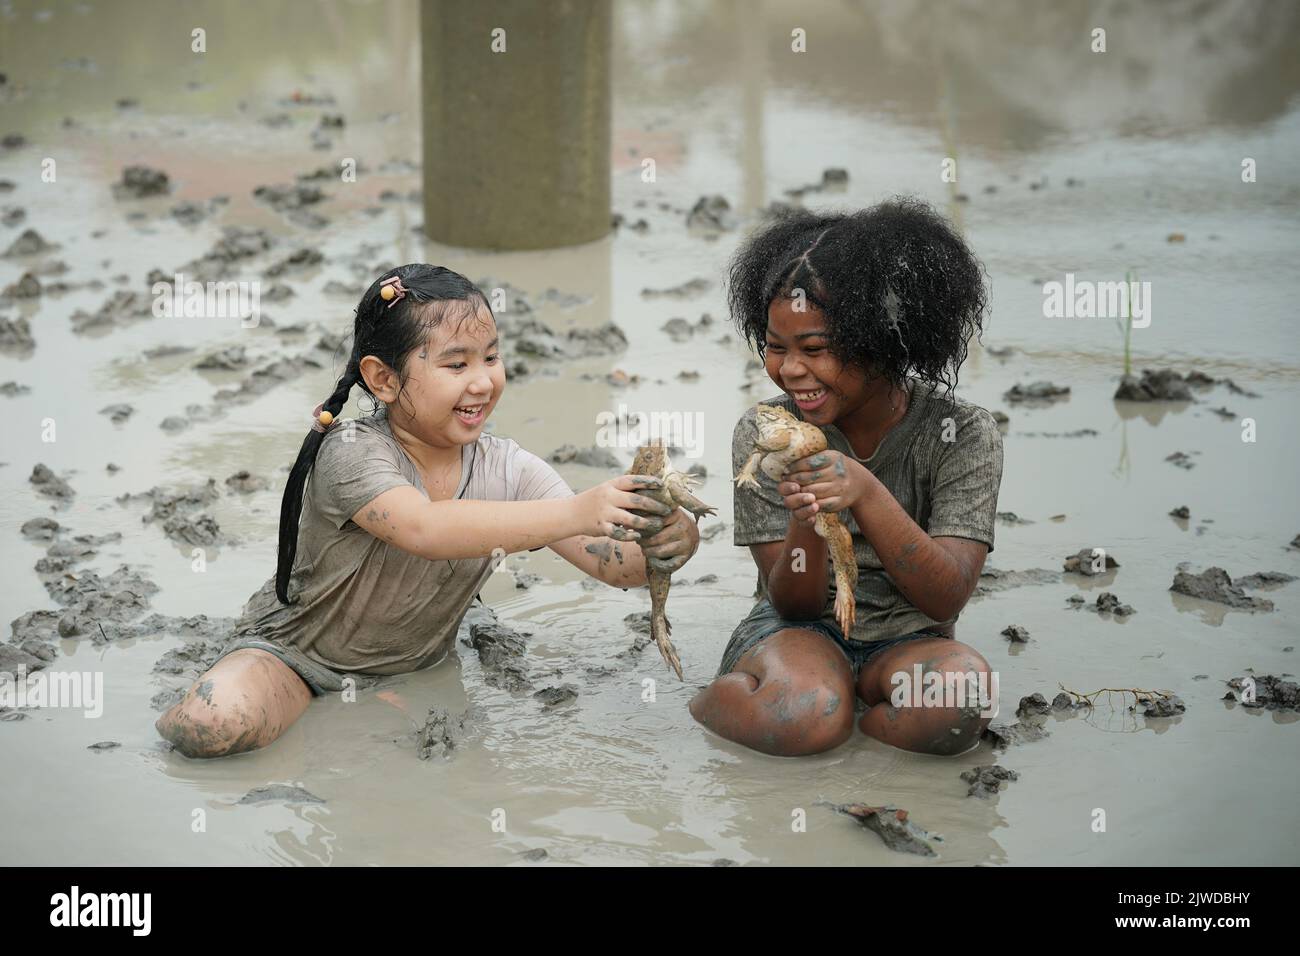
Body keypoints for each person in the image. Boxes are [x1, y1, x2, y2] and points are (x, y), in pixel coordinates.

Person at [156, 264, 699, 758]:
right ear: (384, 379)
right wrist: (580, 510)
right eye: (455, 363)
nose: (483, 381)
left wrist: (670, 539)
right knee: (209, 724)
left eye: (491, 356)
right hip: (302, 656)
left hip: (418, 663)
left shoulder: (509, 468)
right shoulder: (350, 453)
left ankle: (383, 697)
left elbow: (616, 566)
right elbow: (423, 528)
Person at [689, 198, 1004, 757]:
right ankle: (734, 701)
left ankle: (860, 735)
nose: (789, 370)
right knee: (805, 714)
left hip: (910, 639)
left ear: (884, 343)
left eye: (814, 349)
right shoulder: (768, 430)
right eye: (774, 348)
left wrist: (865, 490)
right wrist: (811, 516)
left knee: (961, 702)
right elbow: (793, 605)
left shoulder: (963, 434)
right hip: (800, 634)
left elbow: (945, 596)